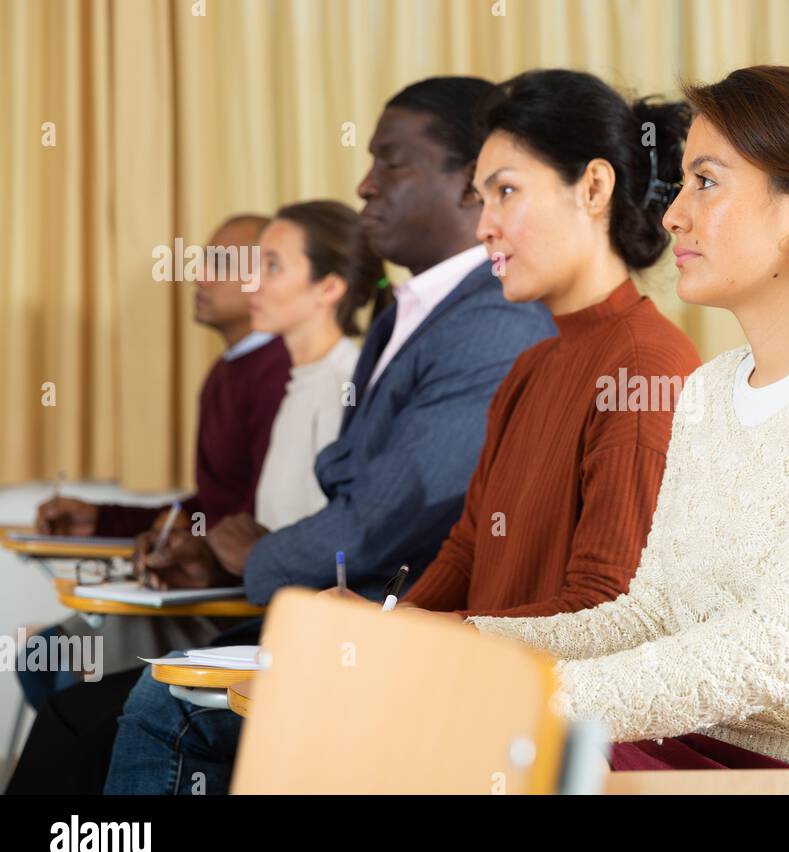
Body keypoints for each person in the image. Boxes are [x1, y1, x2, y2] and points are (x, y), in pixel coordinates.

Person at [103, 68, 702, 795]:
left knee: (184, 718)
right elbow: (468, 546)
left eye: (506, 193)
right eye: (482, 198)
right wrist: (382, 626)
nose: (483, 225)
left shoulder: (645, 364)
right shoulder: (536, 361)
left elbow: (603, 607)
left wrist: (411, 639)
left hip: (535, 705)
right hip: (484, 674)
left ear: (594, 189)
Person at [439, 65, 789, 771]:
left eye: (705, 181)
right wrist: (459, 651)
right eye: (681, 183)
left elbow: (776, 651)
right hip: (712, 749)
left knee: (484, 756)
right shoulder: (709, 389)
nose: (674, 213)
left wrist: (519, 699)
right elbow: (649, 616)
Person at [8, 76, 555, 795]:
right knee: (75, 701)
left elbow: (380, 516)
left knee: (125, 709)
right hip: (335, 606)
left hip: (385, 619)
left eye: (392, 163)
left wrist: (253, 555)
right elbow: (259, 505)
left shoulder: (488, 318)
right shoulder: (402, 315)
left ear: (470, 184)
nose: (365, 185)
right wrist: (220, 551)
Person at [17, 215, 292, 712]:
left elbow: (255, 523)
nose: (199, 275)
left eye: (219, 263)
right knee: (37, 657)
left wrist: (191, 550)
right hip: (209, 583)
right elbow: (210, 507)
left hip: (239, 604)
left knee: (60, 675)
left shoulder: (283, 373)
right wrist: (101, 519)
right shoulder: (227, 372)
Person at [248, 200, 383, 530]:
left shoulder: (344, 388)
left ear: (329, 288)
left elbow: (341, 532)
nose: (250, 283)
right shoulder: (303, 380)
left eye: (272, 267)